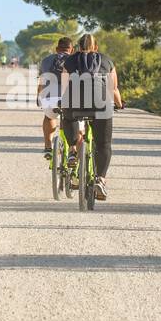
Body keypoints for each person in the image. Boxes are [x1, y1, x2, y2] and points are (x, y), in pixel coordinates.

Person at [59, 33, 122, 201]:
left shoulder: (70, 61)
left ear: (78, 47)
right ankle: (100, 180)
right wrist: (120, 104)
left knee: (69, 117)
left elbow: (65, 87)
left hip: (74, 104)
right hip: (101, 105)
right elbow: (113, 89)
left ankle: (73, 151)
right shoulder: (107, 61)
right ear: (96, 47)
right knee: (103, 144)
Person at [38, 37, 74, 157]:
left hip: (49, 96)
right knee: (71, 119)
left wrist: (38, 97)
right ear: (72, 49)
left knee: (49, 117)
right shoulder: (75, 59)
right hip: (70, 97)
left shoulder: (46, 60)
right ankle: (72, 151)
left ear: (57, 49)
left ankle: (48, 147)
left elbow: (42, 82)